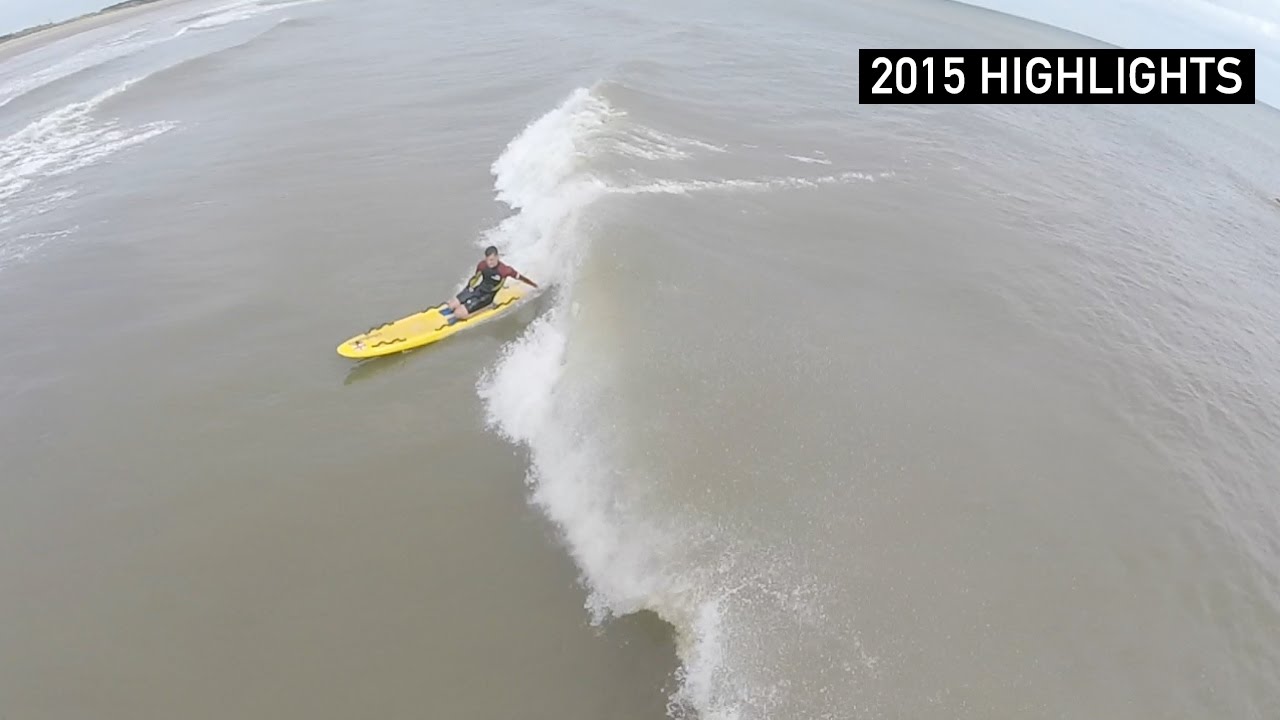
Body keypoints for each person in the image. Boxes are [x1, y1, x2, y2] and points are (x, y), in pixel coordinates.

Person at [442, 245, 537, 322]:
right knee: (451, 305)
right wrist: (467, 291)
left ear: (497, 257)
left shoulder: (505, 270)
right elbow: (474, 279)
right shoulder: (482, 265)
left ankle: (487, 307)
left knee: (458, 314)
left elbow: (521, 278)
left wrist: (534, 285)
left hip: (488, 295)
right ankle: (464, 303)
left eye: (491, 260)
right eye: (487, 259)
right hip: (479, 289)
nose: (489, 262)